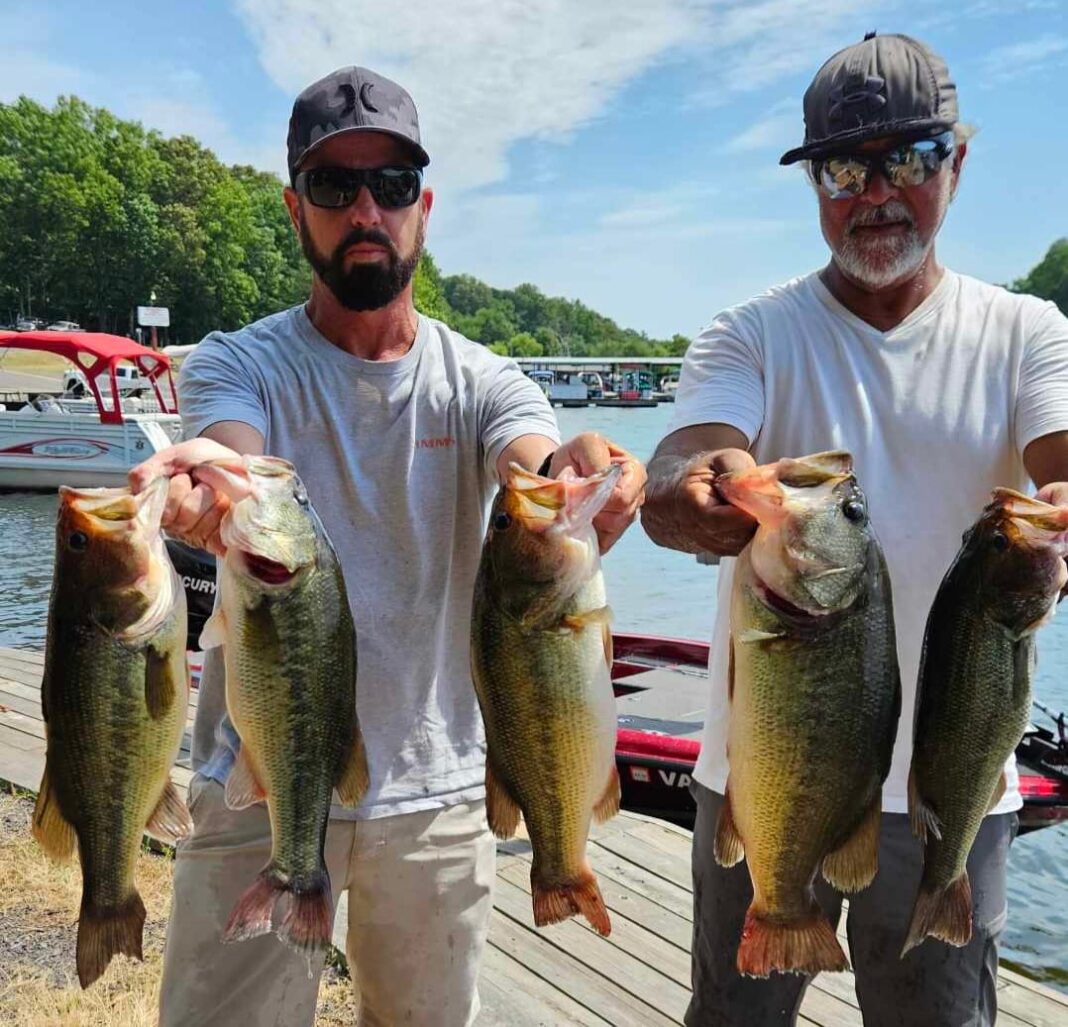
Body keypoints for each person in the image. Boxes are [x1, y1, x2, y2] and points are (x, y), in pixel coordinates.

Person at [130, 66, 645, 1027]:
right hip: (257, 782)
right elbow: (237, 453)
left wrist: (574, 472)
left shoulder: (480, 378)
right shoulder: (245, 361)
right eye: (335, 186)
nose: (366, 207)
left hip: (440, 790)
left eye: (393, 185)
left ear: (424, 208)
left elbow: (529, 452)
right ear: (297, 210)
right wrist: (214, 479)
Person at [641, 31, 1068, 1027]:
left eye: (908, 160)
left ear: (957, 162)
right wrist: (694, 493)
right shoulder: (749, 333)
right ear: (813, 181)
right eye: (843, 166)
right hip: (765, 778)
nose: (873, 191)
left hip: (952, 789)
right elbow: (684, 461)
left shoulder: (1026, 335)